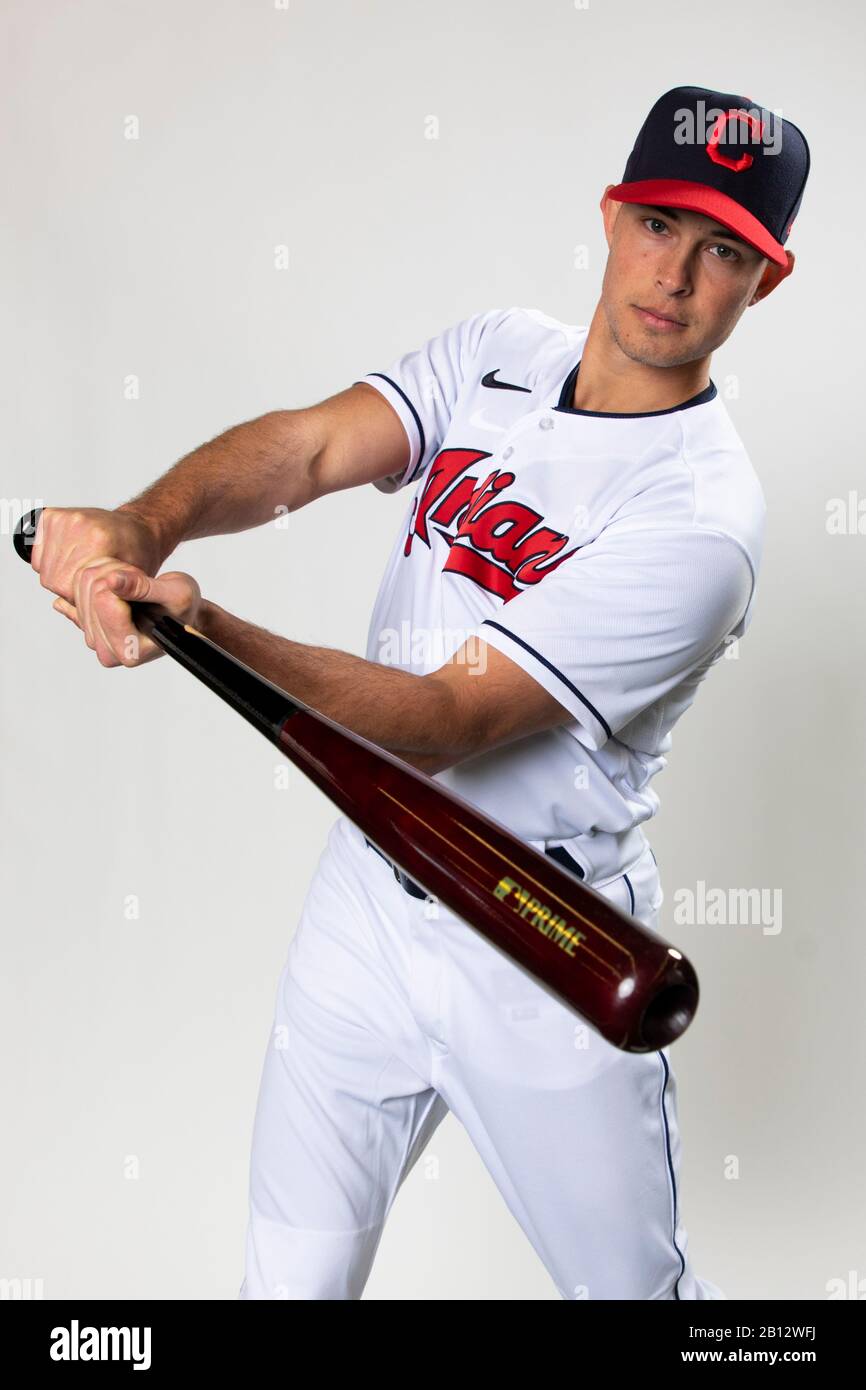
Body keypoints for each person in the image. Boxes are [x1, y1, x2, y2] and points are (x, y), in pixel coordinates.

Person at [30, 85, 810, 1299]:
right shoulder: (496, 351)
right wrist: (143, 519)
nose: (674, 272)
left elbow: (446, 721)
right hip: (365, 907)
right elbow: (306, 448)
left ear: (765, 280)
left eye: (722, 249)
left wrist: (207, 624)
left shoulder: (700, 518)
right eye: (660, 223)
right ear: (610, 216)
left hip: (540, 939)